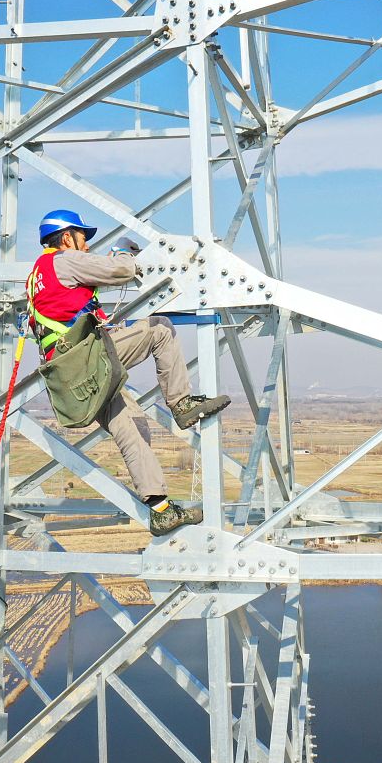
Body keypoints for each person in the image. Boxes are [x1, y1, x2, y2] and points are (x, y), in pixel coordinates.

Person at [27, 209, 231, 536]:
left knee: (131, 428)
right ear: (66, 238)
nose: (86, 246)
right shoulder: (62, 260)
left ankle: (162, 511)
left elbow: (73, 312)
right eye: (82, 238)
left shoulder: (39, 274)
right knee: (160, 329)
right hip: (86, 358)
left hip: (74, 378)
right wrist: (124, 257)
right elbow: (120, 270)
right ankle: (181, 403)